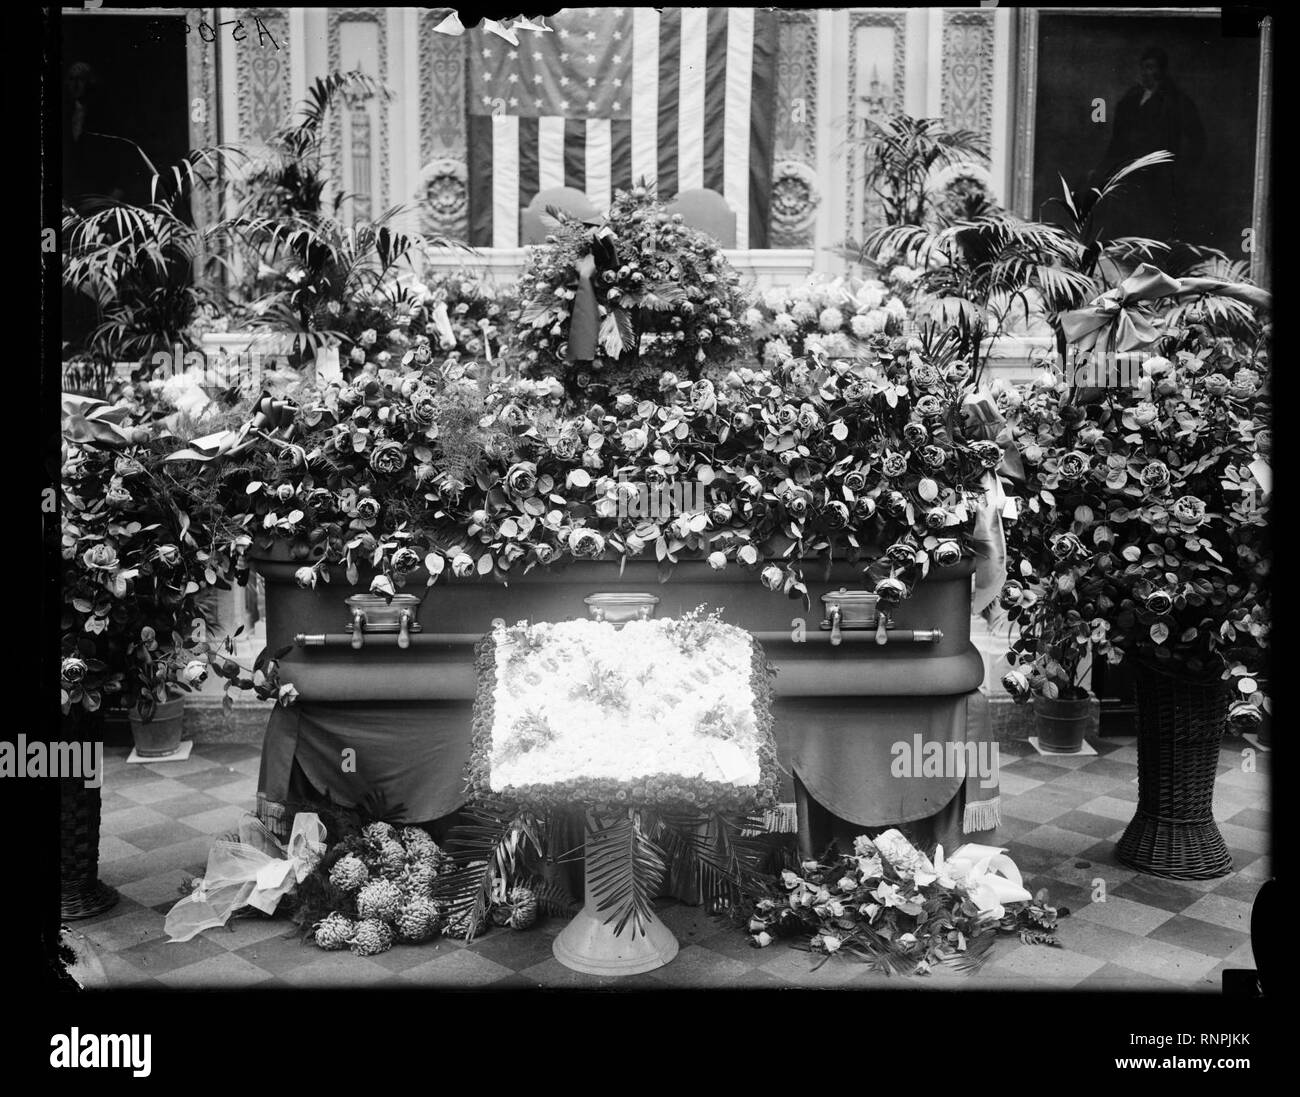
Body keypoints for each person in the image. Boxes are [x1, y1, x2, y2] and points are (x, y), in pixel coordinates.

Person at [1097, 46, 1205, 244]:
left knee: (1156, 221)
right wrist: (1107, 166)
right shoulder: (1131, 98)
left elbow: (1197, 138)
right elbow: (1118, 137)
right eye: (1144, 67)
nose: (1147, 72)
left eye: (1151, 68)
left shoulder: (1176, 101)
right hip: (1130, 168)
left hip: (1159, 172)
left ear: (1161, 71)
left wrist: (1182, 168)